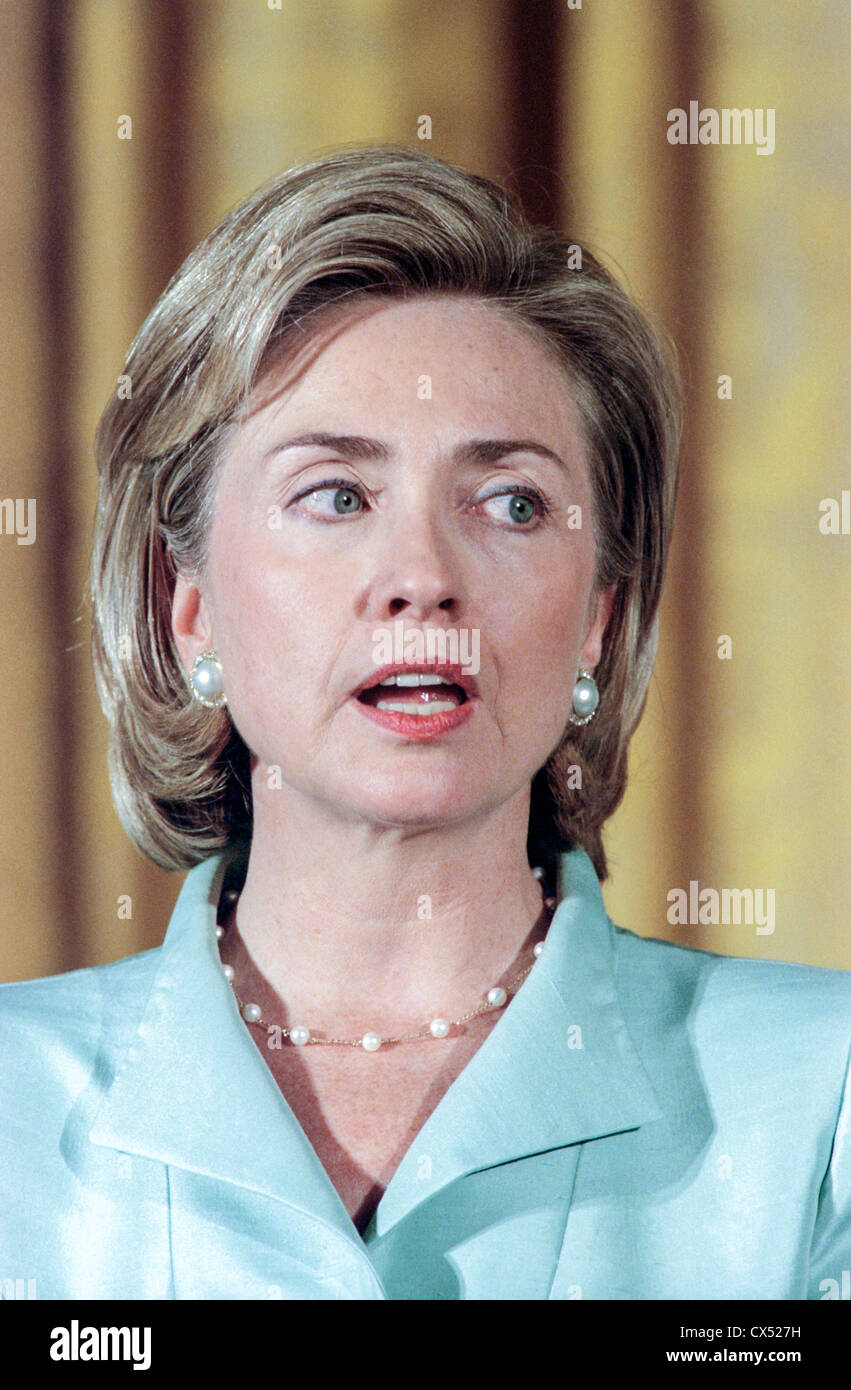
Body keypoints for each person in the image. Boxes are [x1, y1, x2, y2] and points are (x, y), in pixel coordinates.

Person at [1, 146, 848, 1301]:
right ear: (185, 607)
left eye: (508, 504)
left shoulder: (820, 1096)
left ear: (597, 616)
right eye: (336, 496)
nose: (421, 579)